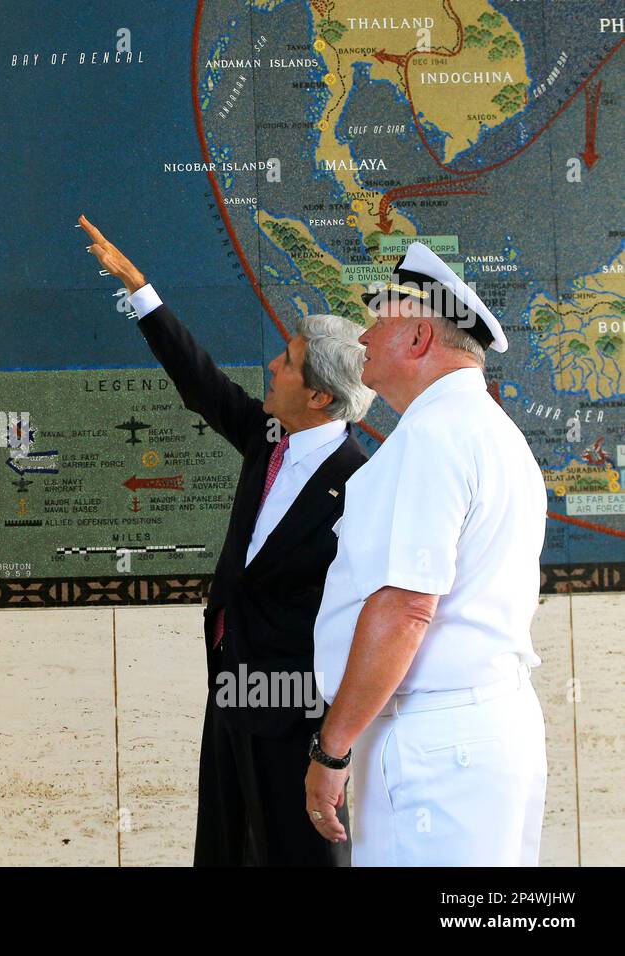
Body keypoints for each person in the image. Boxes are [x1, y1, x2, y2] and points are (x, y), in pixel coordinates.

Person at [80, 214, 375, 865]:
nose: (273, 365)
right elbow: (199, 381)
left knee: (298, 852)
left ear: (323, 398)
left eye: (290, 362)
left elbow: (374, 616)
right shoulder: (267, 438)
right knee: (224, 846)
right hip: (231, 687)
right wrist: (139, 289)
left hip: (299, 710)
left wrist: (337, 739)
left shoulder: (362, 486)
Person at [304, 241, 549, 866]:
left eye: (378, 316)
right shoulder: (492, 431)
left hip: (436, 743)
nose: (362, 335)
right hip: (486, 728)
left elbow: (407, 607)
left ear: (418, 336)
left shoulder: (432, 438)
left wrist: (332, 749)